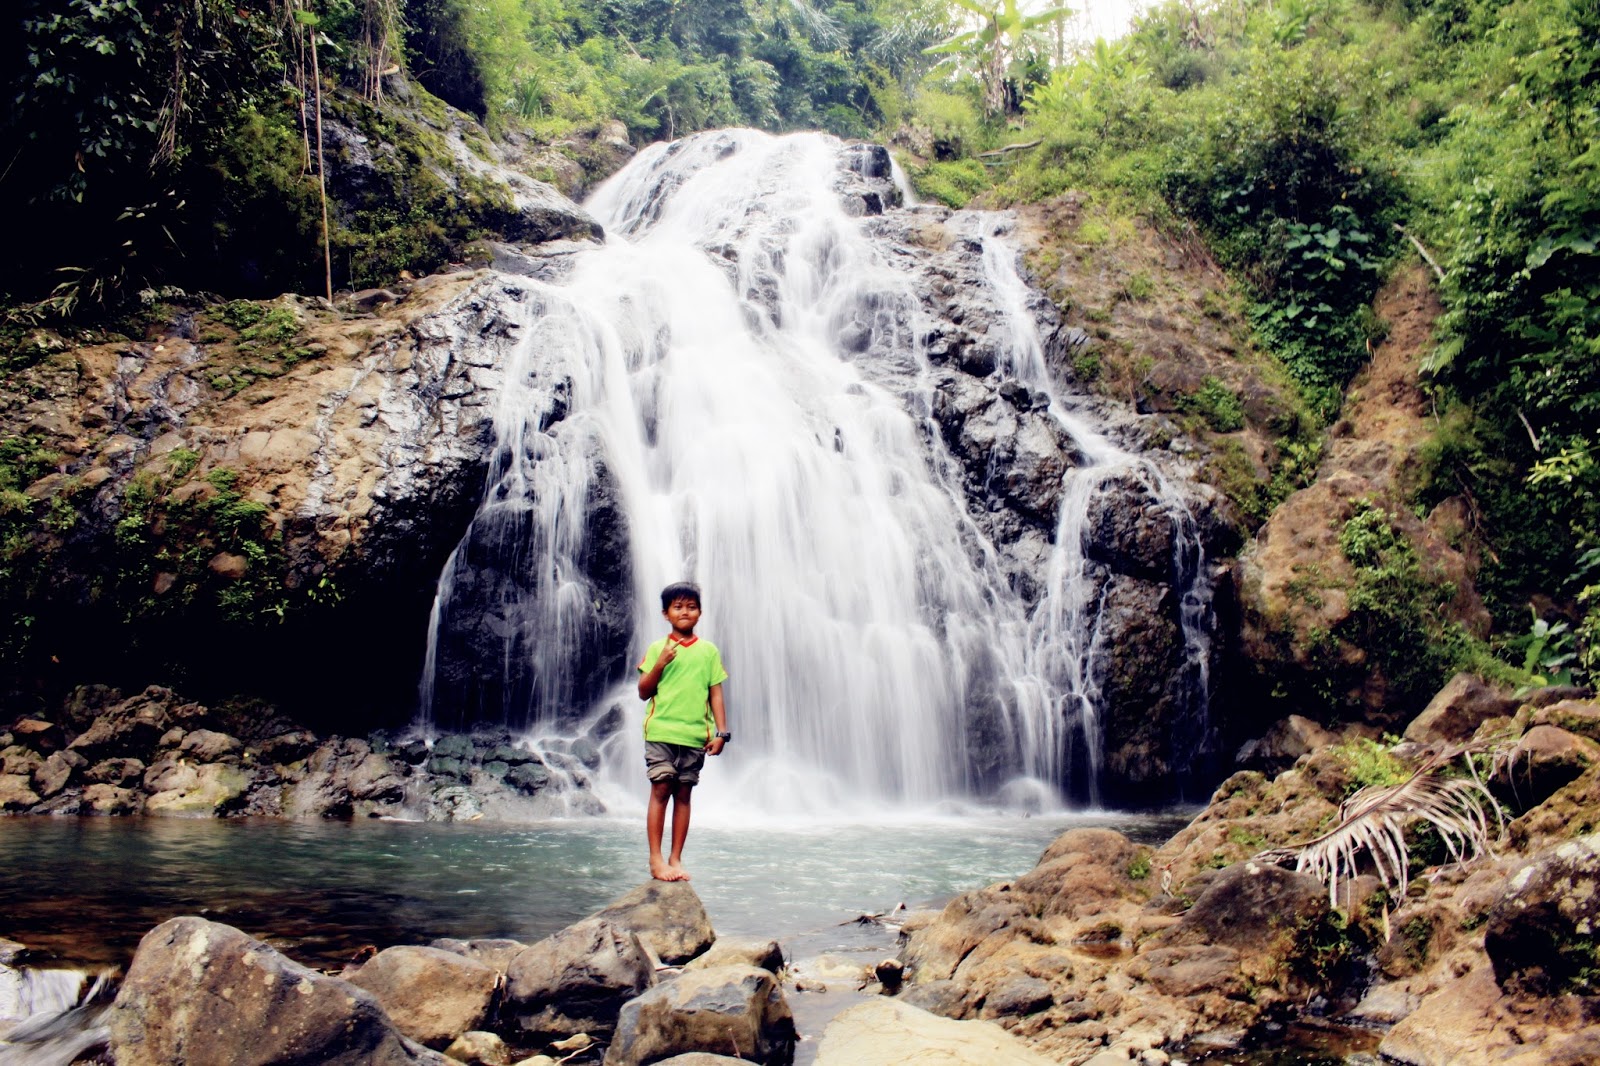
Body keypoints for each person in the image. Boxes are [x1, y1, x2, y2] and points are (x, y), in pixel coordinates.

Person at [637, 581, 729, 882]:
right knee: (661, 789)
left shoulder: (708, 651)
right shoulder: (657, 648)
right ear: (666, 614)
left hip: (695, 736)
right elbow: (643, 691)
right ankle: (656, 859)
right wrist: (660, 663)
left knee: (684, 794)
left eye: (691, 607)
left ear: (700, 612)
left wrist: (722, 733)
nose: (685, 612)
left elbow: (716, 694)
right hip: (661, 732)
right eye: (677, 607)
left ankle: (675, 858)